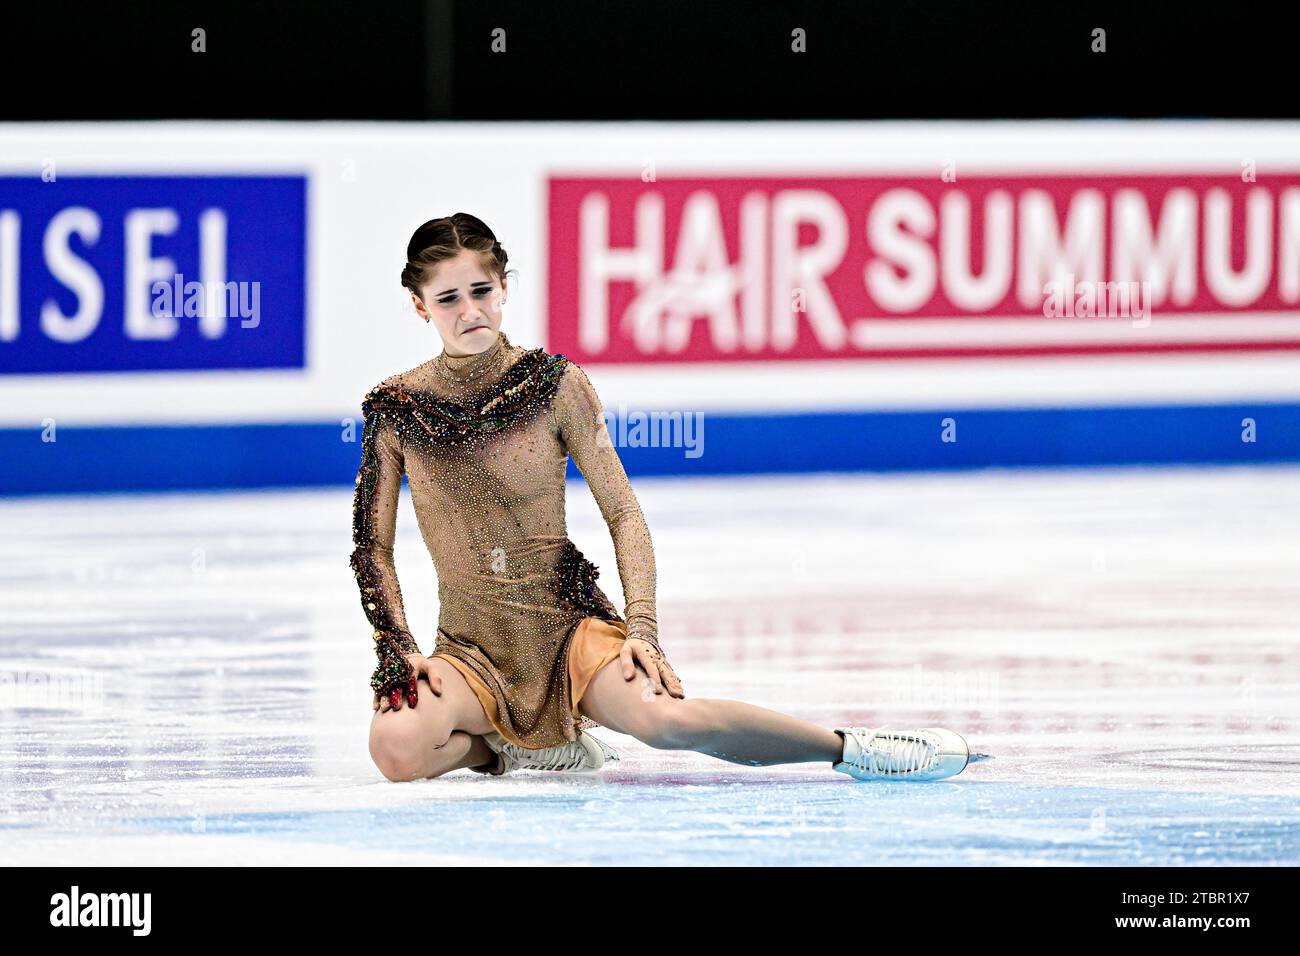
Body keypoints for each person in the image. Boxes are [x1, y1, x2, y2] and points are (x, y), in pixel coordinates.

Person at [354, 212, 982, 783]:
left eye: (482, 291)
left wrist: (643, 630)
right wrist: (399, 648)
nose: (470, 311)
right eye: (448, 299)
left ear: (505, 287)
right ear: (420, 307)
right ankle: (515, 751)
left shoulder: (556, 385)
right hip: (472, 650)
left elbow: (623, 512)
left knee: (667, 724)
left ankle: (853, 748)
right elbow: (372, 546)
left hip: (567, 631)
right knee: (398, 748)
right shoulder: (396, 409)